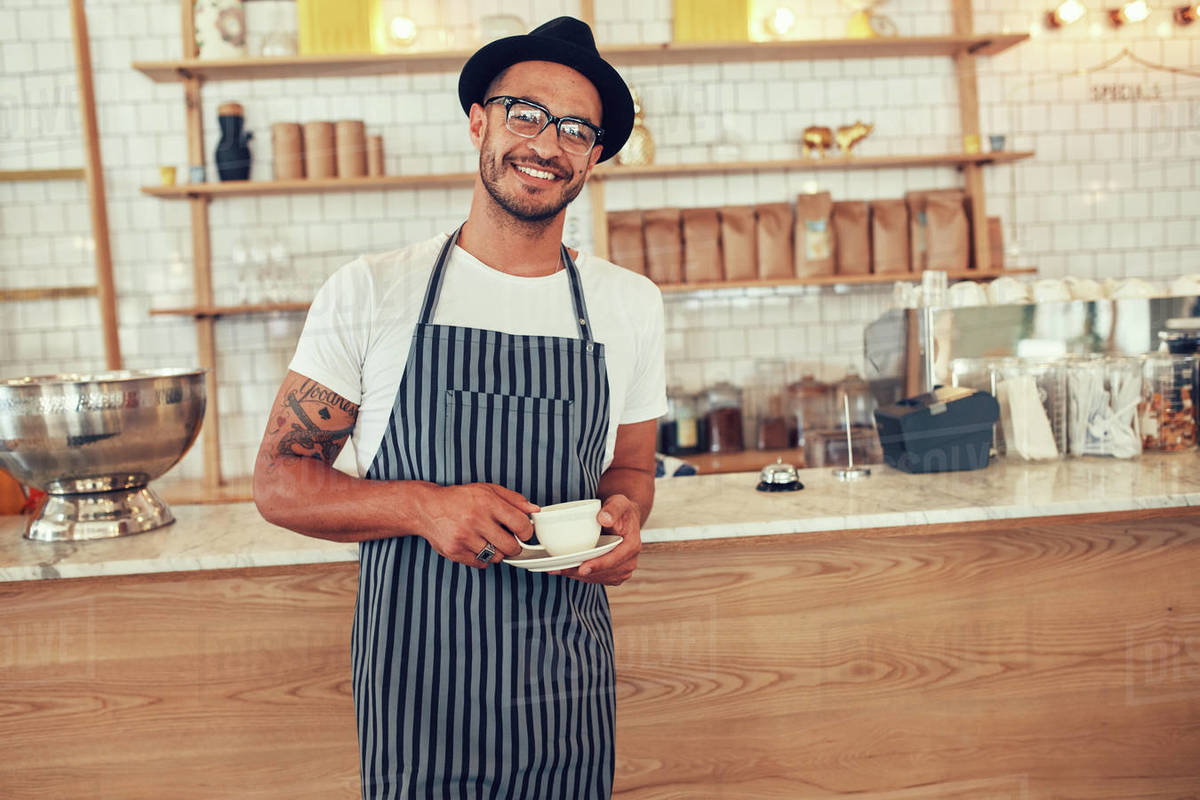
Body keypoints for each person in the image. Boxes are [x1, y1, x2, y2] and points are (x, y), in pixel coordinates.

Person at [253, 16, 666, 799]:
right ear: (479, 121)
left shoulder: (629, 304)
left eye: (576, 129)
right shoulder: (372, 291)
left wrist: (625, 518)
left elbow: (632, 470)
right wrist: (424, 507)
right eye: (526, 113)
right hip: (416, 683)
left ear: (593, 157)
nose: (547, 143)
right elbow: (279, 481)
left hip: (565, 680)